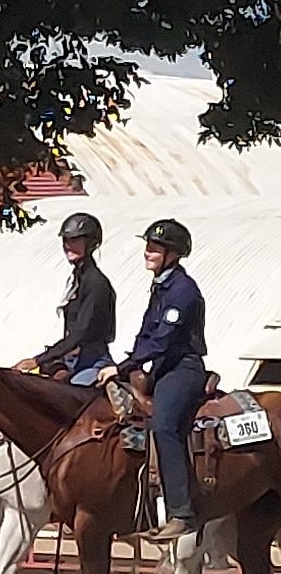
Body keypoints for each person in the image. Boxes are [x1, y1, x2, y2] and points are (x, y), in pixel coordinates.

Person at [97, 218, 208, 542]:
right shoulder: (161, 287)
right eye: (148, 246)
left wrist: (122, 367)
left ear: (172, 254)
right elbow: (146, 335)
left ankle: (182, 513)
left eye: (155, 248)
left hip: (182, 369)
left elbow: (161, 341)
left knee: (164, 426)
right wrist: (128, 365)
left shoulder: (182, 290)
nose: (148, 252)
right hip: (160, 367)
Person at [21, 211, 116, 385]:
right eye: (66, 240)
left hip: (92, 362)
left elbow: (80, 332)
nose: (68, 245)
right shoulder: (77, 279)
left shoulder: (95, 283)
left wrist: (38, 360)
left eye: (75, 240)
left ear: (91, 243)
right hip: (73, 360)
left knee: (72, 401)